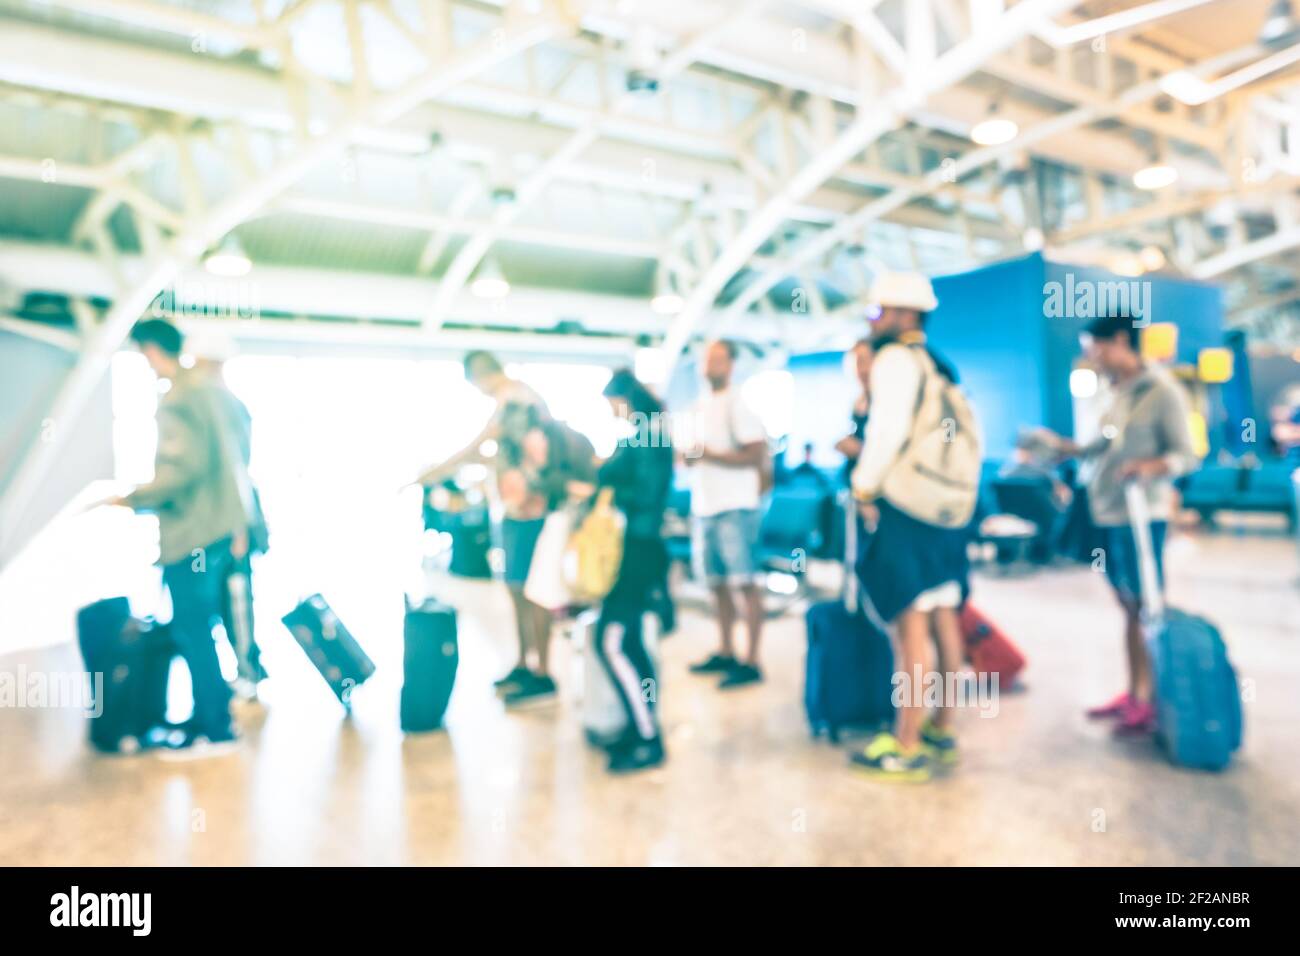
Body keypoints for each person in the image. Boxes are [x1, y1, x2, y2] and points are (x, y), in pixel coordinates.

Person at [1041, 313, 1198, 736]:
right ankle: (1136, 693)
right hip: (1104, 511)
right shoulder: (1111, 392)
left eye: (1096, 349)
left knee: (1145, 606)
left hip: (1142, 516)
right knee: (1128, 606)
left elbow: (1188, 454)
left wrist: (1151, 465)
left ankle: (1151, 698)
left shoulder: (1162, 391)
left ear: (1120, 340)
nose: (1092, 359)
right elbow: (1099, 446)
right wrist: (1065, 449)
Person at [108, 319, 254, 759]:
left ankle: (214, 728)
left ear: (151, 350)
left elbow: (180, 470)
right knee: (202, 626)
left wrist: (133, 497)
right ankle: (210, 717)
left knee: (192, 628)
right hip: (218, 531)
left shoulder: (181, 396)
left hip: (193, 532)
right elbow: (234, 464)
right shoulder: (214, 395)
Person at [849, 273, 973, 782]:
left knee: (909, 627)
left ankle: (906, 743)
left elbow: (888, 431)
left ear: (905, 314)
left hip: (908, 505)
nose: (872, 320)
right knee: (944, 615)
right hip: (949, 508)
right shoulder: (939, 365)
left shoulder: (896, 360)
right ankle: (943, 728)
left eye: (878, 311)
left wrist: (864, 486)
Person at [416, 351, 553, 702]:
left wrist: (437, 472)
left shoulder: (516, 399)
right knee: (517, 588)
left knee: (530, 589)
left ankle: (541, 671)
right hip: (514, 507)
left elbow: (480, 446)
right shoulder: (518, 399)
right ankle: (525, 664)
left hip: (527, 509)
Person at [578, 368, 674, 772]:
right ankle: (641, 726)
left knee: (613, 642)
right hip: (637, 547)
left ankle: (648, 738)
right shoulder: (646, 430)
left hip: (637, 550)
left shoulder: (648, 432)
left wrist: (605, 488)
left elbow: (646, 493)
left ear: (623, 399)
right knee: (628, 642)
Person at [682, 339, 769, 689]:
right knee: (716, 584)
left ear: (731, 365)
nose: (710, 366)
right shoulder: (699, 405)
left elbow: (755, 455)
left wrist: (708, 455)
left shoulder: (739, 404)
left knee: (744, 582)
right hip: (705, 504)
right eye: (707, 359)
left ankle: (752, 659)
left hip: (736, 506)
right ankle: (726, 649)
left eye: (718, 360)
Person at [189, 332, 269, 699]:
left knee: (236, 601)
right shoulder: (218, 403)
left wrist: (239, 527)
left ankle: (248, 672)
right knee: (225, 600)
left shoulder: (225, 405)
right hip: (222, 522)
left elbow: (235, 470)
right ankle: (244, 668)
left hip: (232, 523)